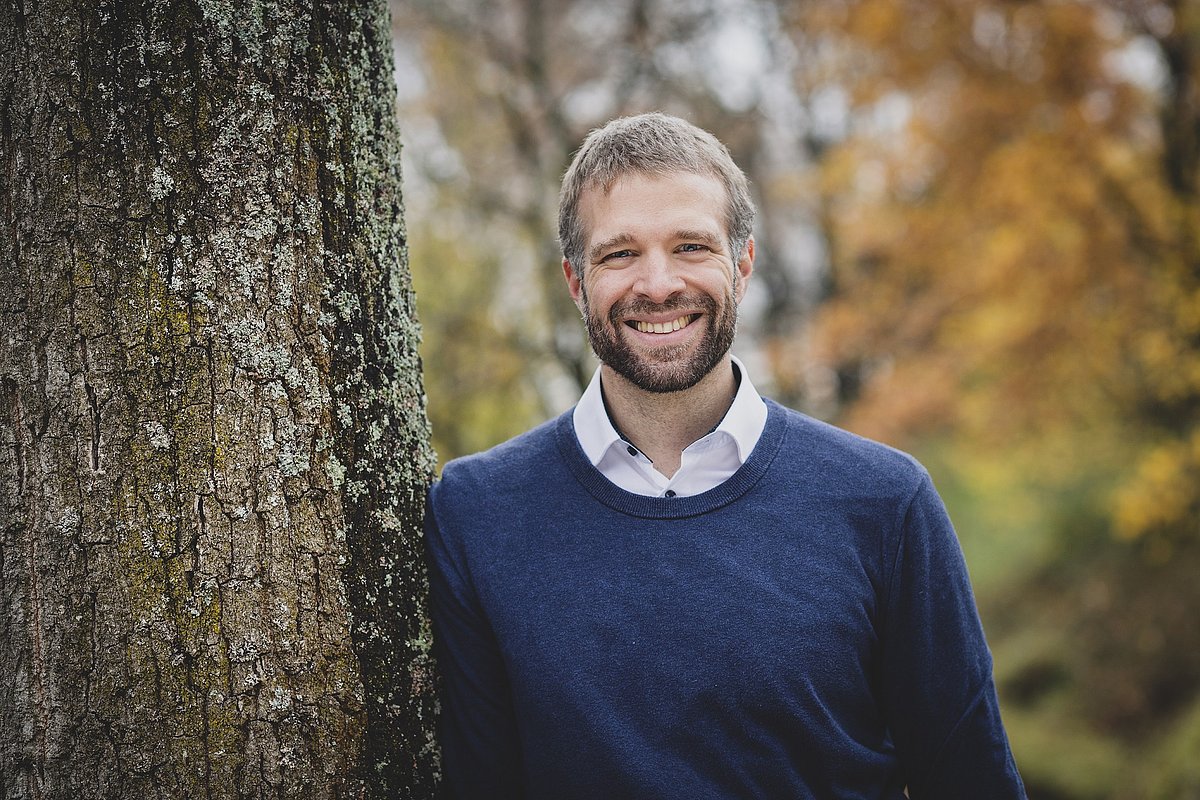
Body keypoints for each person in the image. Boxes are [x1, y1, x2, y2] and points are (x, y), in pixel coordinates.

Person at [424, 112, 1025, 799]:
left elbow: (973, 781)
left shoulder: (885, 503)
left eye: (691, 247)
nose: (657, 285)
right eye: (619, 254)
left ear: (742, 265)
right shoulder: (477, 514)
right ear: (575, 280)